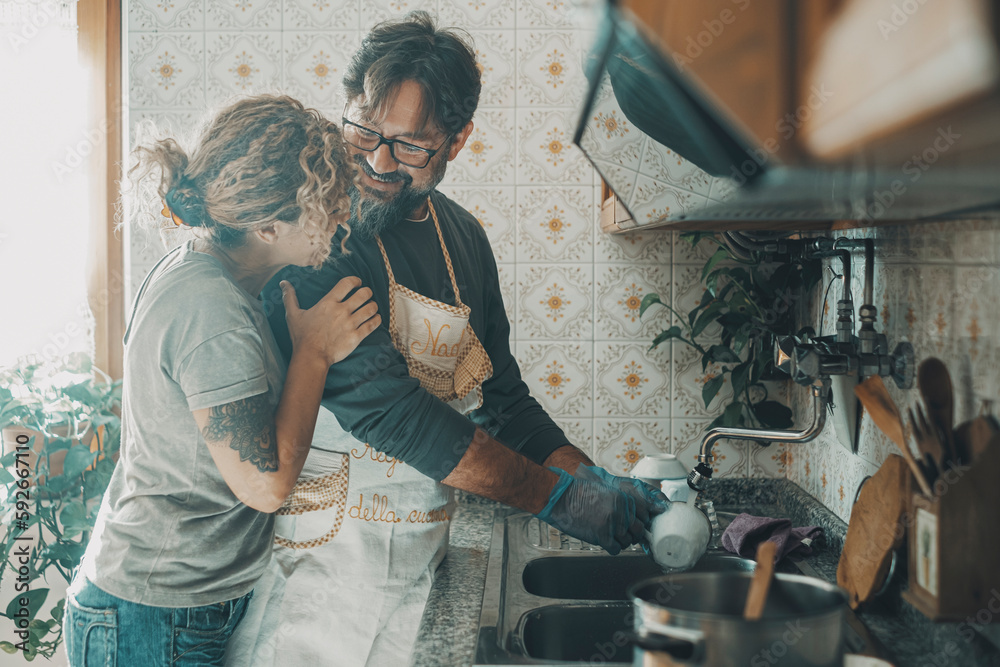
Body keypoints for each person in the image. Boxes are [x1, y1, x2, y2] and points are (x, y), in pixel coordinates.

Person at [225, 13, 668, 666]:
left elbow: (503, 401)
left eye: (409, 146)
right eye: (365, 132)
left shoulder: (462, 236)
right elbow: (395, 413)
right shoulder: (308, 235)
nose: (378, 162)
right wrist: (559, 498)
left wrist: (590, 478)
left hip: (420, 568)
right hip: (318, 584)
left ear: (456, 142)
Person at [64, 95, 381, 666]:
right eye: (325, 205)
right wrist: (314, 350)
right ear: (266, 226)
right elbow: (265, 487)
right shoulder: (211, 310)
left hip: (166, 606)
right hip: (152, 617)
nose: (342, 216)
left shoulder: (208, 269)